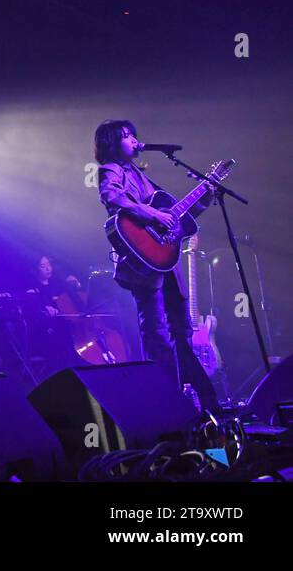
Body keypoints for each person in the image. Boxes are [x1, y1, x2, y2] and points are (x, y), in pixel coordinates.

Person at [94, 119, 219, 411]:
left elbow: (178, 220)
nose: (135, 140)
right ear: (112, 143)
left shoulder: (140, 174)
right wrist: (152, 214)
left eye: (134, 134)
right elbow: (110, 195)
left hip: (168, 265)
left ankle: (197, 398)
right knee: (157, 333)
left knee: (182, 332)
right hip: (146, 268)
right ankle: (167, 404)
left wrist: (207, 194)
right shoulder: (111, 169)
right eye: (126, 136)